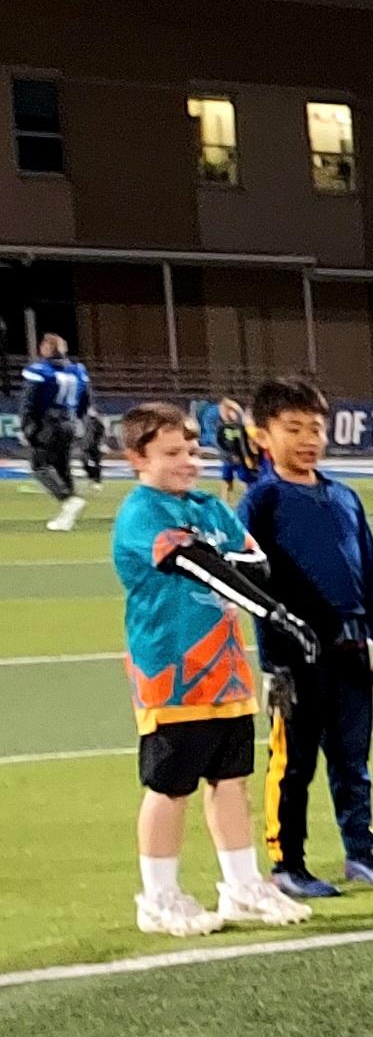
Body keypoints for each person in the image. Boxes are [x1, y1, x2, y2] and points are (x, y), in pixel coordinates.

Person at [107, 401, 314, 935]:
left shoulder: (207, 507)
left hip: (225, 668)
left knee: (231, 779)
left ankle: (242, 887)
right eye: (172, 452)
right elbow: (203, 564)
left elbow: (255, 562)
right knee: (169, 785)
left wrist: (226, 565)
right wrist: (273, 612)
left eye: (192, 450)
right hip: (171, 669)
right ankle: (158, 897)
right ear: (137, 457)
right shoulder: (142, 513)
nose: (188, 462)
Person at [242, 376, 373, 898]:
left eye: (315, 427)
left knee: (353, 759)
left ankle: (360, 851)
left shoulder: (344, 497)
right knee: (294, 764)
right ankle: (288, 863)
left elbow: (371, 575)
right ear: (263, 434)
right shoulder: (261, 502)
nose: (308, 438)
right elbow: (251, 588)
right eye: (294, 428)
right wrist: (271, 663)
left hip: (352, 650)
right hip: (296, 653)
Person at [22, 333, 95, 530]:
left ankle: (68, 499)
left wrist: (28, 427)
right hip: (69, 421)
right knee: (63, 467)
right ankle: (68, 515)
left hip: (48, 422)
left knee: (39, 466)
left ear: (47, 348)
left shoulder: (40, 370)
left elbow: (30, 402)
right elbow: (86, 399)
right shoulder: (77, 370)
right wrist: (79, 419)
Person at [212, 392, 263, 504]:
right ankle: (225, 500)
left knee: (246, 477)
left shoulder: (240, 426)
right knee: (226, 479)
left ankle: (250, 495)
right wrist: (228, 455)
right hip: (228, 458)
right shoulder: (221, 427)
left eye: (232, 411)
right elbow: (219, 443)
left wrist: (243, 455)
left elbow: (243, 443)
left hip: (240, 459)